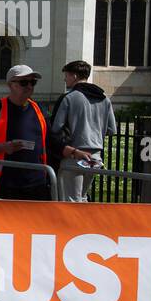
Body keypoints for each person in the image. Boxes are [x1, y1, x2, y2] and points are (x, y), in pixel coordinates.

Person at [0, 64, 53, 200]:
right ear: (11, 85)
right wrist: (2, 147)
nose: (29, 86)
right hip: (4, 182)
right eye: (24, 82)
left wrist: (75, 152)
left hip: (36, 183)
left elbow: (53, 140)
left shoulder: (40, 109)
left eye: (33, 82)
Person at [49, 59, 117, 202]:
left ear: (74, 76)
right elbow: (112, 129)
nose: (64, 79)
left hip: (74, 155)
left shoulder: (69, 98)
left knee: (70, 202)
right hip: (95, 158)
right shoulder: (105, 100)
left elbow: (55, 128)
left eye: (66, 75)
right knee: (82, 199)